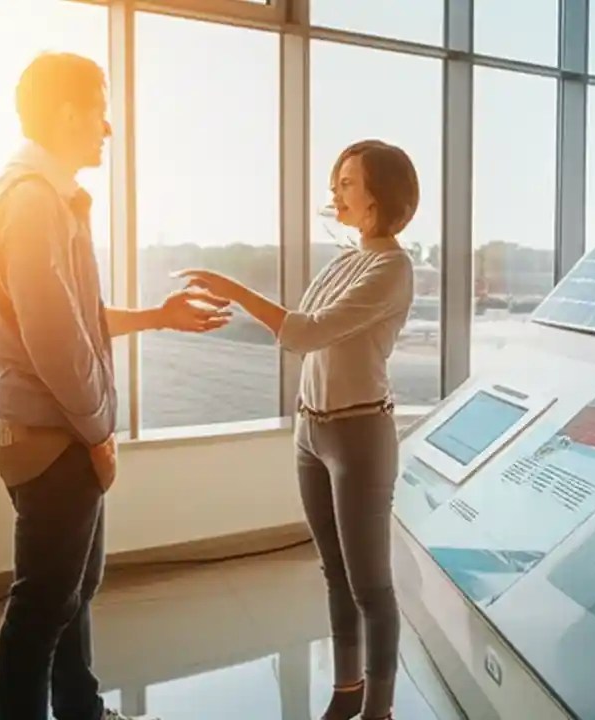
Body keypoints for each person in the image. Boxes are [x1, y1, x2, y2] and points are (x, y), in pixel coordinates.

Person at [0, 52, 229, 720]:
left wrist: (158, 317)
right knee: (43, 606)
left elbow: (77, 317)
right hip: (52, 434)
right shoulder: (32, 204)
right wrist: (98, 437)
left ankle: (82, 710)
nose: (107, 129)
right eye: (98, 110)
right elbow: (55, 345)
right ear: (66, 113)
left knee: (73, 589)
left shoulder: (47, 201)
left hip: (56, 429)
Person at [178, 139, 420, 720]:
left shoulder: (393, 266)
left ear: (379, 194)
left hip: (359, 436)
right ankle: (346, 693)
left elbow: (306, 333)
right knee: (335, 574)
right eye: (335, 181)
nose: (334, 191)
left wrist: (233, 288)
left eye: (346, 182)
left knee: (370, 586)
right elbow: (302, 333)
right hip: (311, 434)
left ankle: (378, 710)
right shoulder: (344, 260)